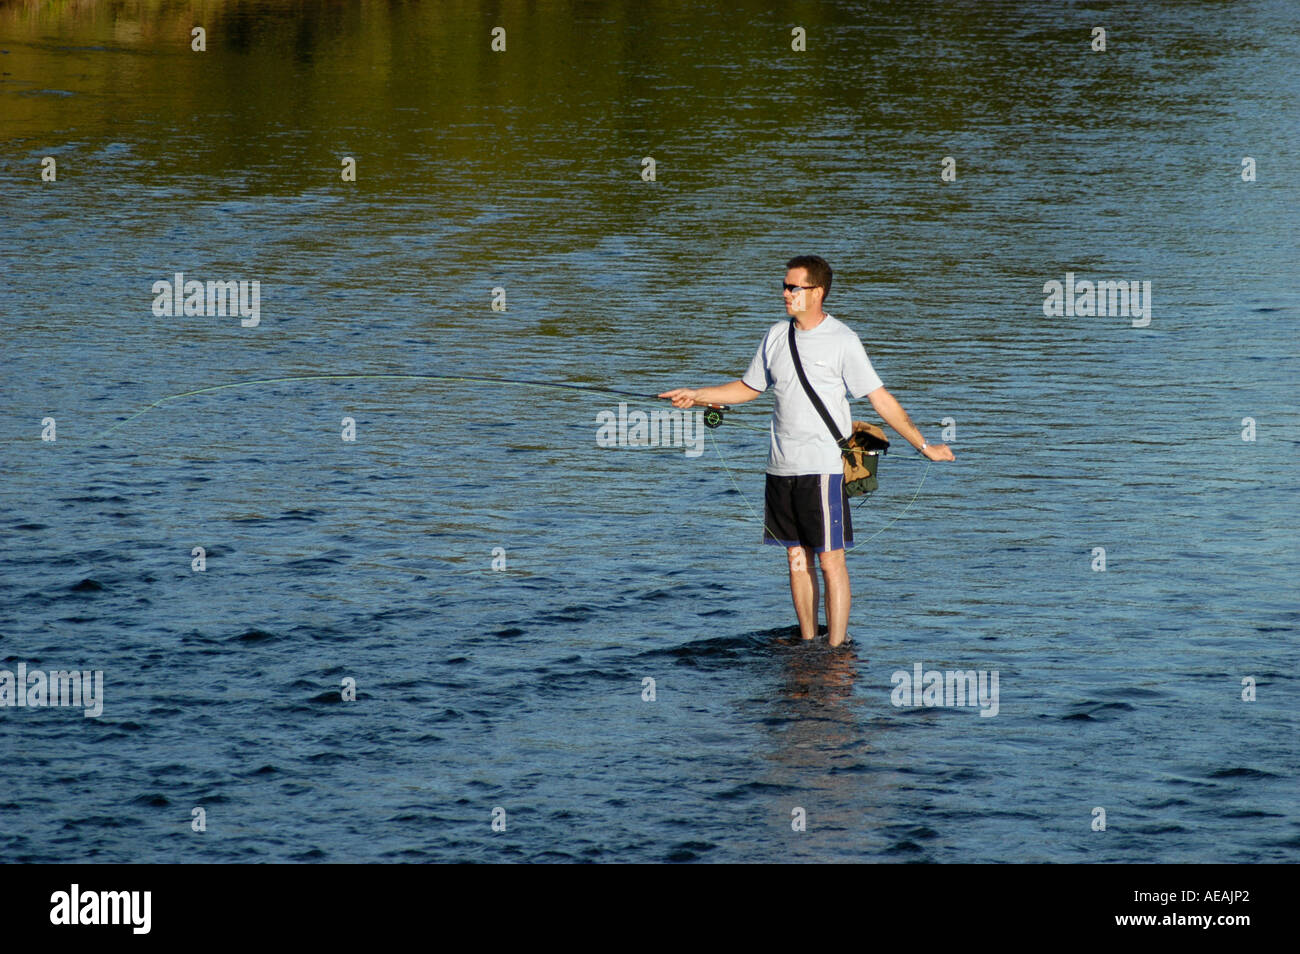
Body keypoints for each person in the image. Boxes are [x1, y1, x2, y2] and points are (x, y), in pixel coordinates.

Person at [659, 255, 955, 647]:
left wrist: (924, 446)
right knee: (796, 559)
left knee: (831, 561)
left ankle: (836, 651)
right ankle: (808, 643)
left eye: (793, 287)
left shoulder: (843, 341)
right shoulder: (775, 336)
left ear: (817, 292)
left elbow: (880, 398)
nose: (785, 294)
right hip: (780, 469)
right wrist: (697, 395)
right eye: (783, 286)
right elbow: (748, 389)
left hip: (823, 470)